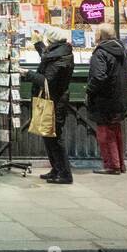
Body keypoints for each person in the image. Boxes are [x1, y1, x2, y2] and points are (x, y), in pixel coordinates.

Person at [87, 24, 127, 175]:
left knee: (105, 133)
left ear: (100, 36)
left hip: (105, 99)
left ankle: (112, 165)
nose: (94, 36)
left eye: (96, 33)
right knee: (116, 130)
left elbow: (98, 77)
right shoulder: (122, 50)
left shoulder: (100, 53)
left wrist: (89, 90)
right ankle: (120, 164)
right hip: (120, 97)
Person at [32, 25, 75, 185]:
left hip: (56, 102)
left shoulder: (62, 58)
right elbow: (47, 56)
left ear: (51, 41)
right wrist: (38, 44)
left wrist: (27, 74)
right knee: (48, 136)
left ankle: (65, 174)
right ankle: (56, 168)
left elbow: (46, 81)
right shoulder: (59, 53)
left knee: (55, 137)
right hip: (52, 101)